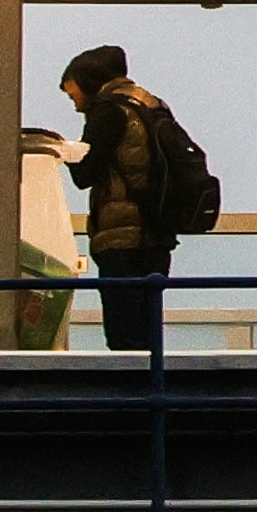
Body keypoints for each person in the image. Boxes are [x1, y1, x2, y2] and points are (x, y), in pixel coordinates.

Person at [59, 42, 191, 353]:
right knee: (148, 333)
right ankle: (151, 396)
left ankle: (130, 399)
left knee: (123, 336)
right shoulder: (153, 105)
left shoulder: (107, 110)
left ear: (88, 83)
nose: (75, 104)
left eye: (73, 94)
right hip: (157, 234)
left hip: (121, 241)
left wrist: (61, 150)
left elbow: (85, 175)